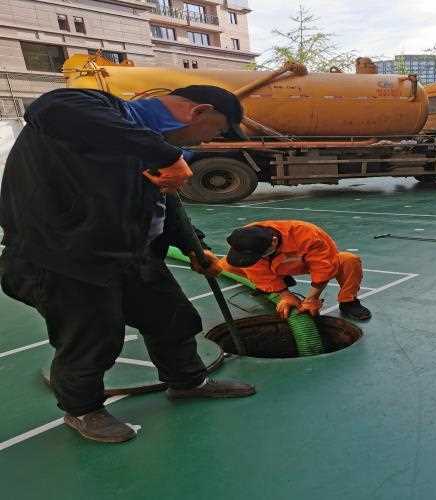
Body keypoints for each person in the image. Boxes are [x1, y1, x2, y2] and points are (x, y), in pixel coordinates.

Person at [0, 85, 255, 444]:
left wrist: (194, 247)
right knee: (92, 336)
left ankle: (187, 382)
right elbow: (47, 107)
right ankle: (83, 411)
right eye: (216, 130)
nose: (210, 141)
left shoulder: (142, 145)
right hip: (60, 258)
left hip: (126, 254)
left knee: (173, 318)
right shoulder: (89, 110)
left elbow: (161, 207)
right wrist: (165, 153)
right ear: (198, 112)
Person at [192, 220, 372, 321]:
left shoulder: (308, 234)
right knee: (225, 266)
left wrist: (311, 299)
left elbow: (323, 267)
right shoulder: (246, 235)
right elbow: (256, 269)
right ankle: (280, 285)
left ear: (273, 242)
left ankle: (348, 301)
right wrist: (284, 295)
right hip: (275, 268)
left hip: (304, 264)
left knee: (349, 260)